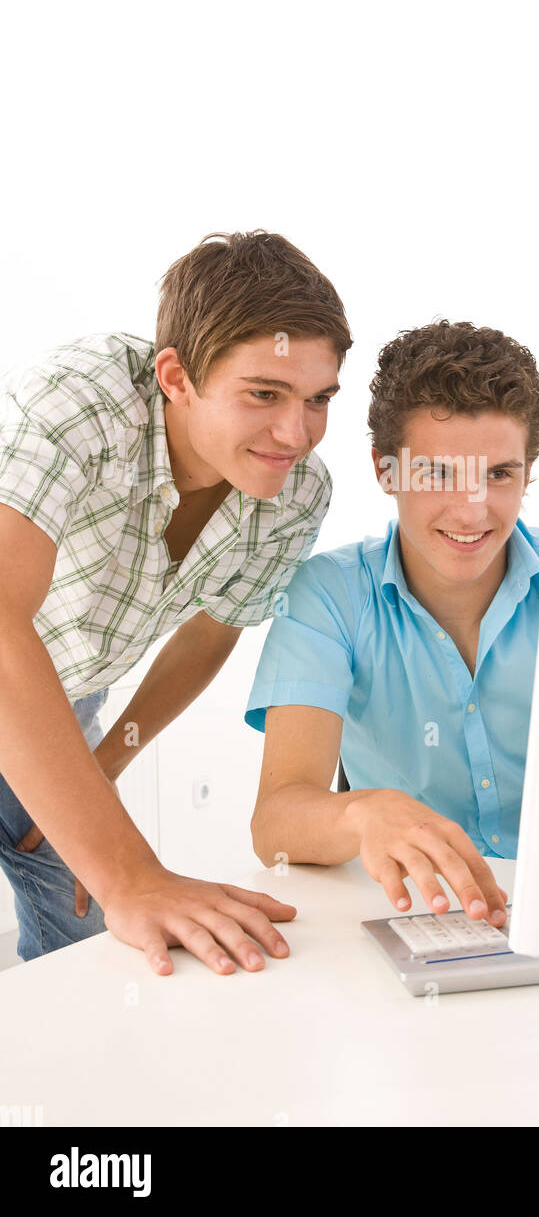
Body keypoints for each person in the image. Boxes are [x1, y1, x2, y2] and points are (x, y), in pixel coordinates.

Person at [0, 229, 351, 976]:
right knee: (122, 897)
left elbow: (209, 633)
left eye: (318, 399)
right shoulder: (83, 401)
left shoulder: (297, 494)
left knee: (93, 962)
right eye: (264, 393)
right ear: (176, 376)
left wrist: (104, 762)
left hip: (61, 704)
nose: (296, 434)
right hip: (13, 673)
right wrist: (130, 874)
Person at [245, 320, 539, 926]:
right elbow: (277, 824)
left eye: (499, 474)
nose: (473, 508)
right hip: (419, 915)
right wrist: (365, 812)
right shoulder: (330, 596)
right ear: (387, 472)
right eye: (439, 473)